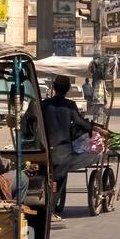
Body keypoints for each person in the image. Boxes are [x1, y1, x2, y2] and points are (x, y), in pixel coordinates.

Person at [42, 77, 96, 223]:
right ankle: (51, 211)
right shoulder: (69, 105)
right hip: (63, 150)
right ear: (67, 89)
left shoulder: (45, 104)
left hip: (45, 149)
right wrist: (91, 128)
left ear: (54, 87)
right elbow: (79, 122)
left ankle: (49, 207)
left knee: (48, 178)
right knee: (58, 181)